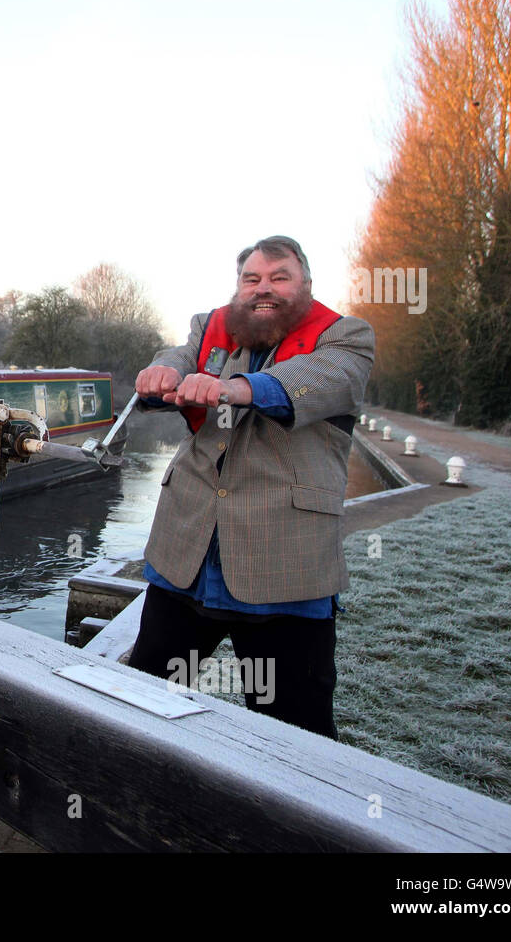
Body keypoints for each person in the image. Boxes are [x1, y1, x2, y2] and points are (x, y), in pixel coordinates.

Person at [126, 236, 375, 739]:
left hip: (285, 568)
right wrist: (166, 370)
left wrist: (235, 388)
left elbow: (321, 378)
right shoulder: (210, 327)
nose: (264, 289)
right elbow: (178, 354)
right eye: (252, 279)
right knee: (143, 697)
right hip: (186, 556)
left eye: (279, 277)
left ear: (305, 284)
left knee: (295, 729)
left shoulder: (346, 335)